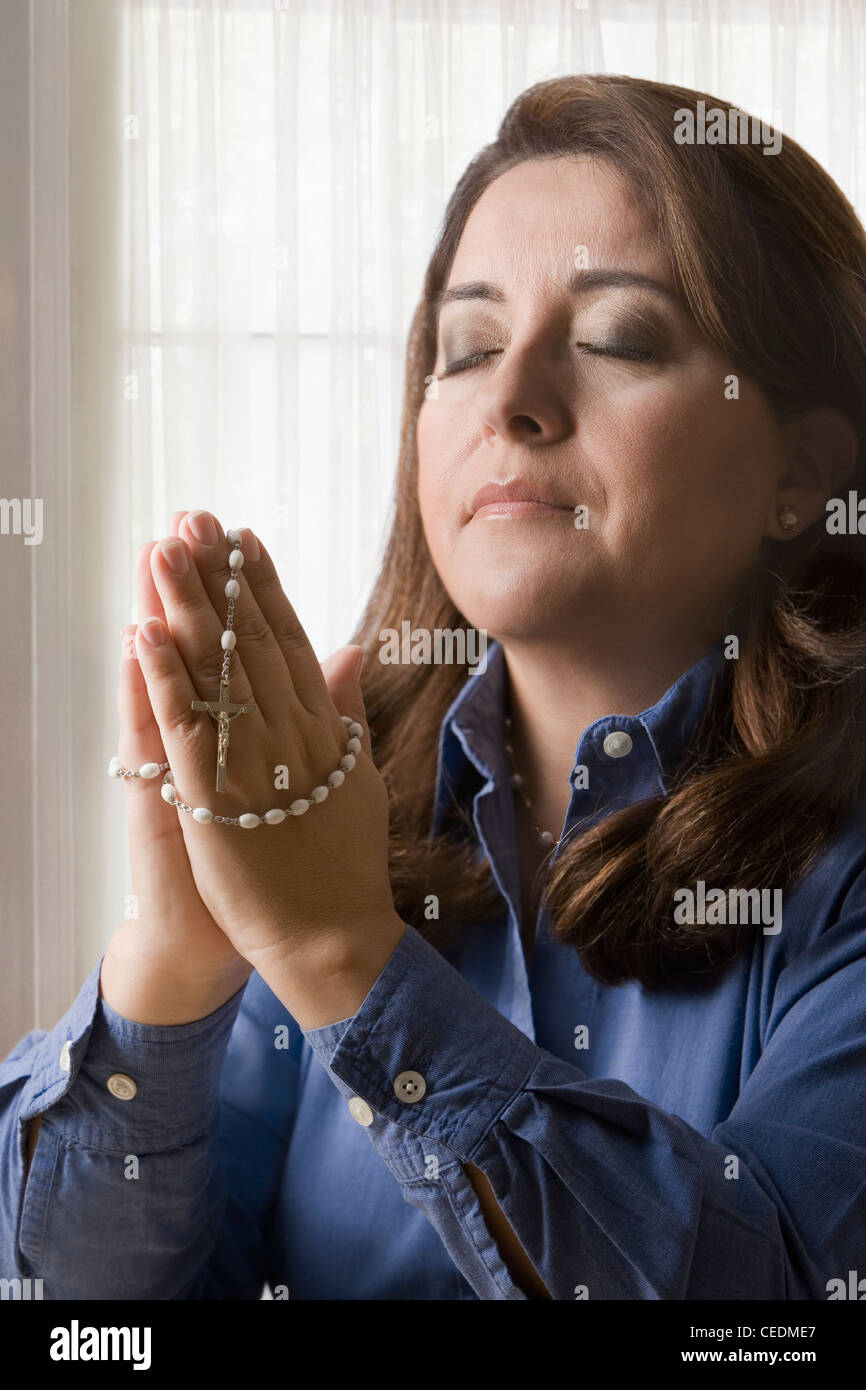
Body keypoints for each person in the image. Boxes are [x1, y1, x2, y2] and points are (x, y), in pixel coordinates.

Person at [3, 72, 866, 1302]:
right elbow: (93, 1318)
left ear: (802, 469)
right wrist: (171, 971)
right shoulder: (336, 821)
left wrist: (342, 954)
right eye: (464, 349)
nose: (508, 401)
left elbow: (760, 1305)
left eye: (617, 338)